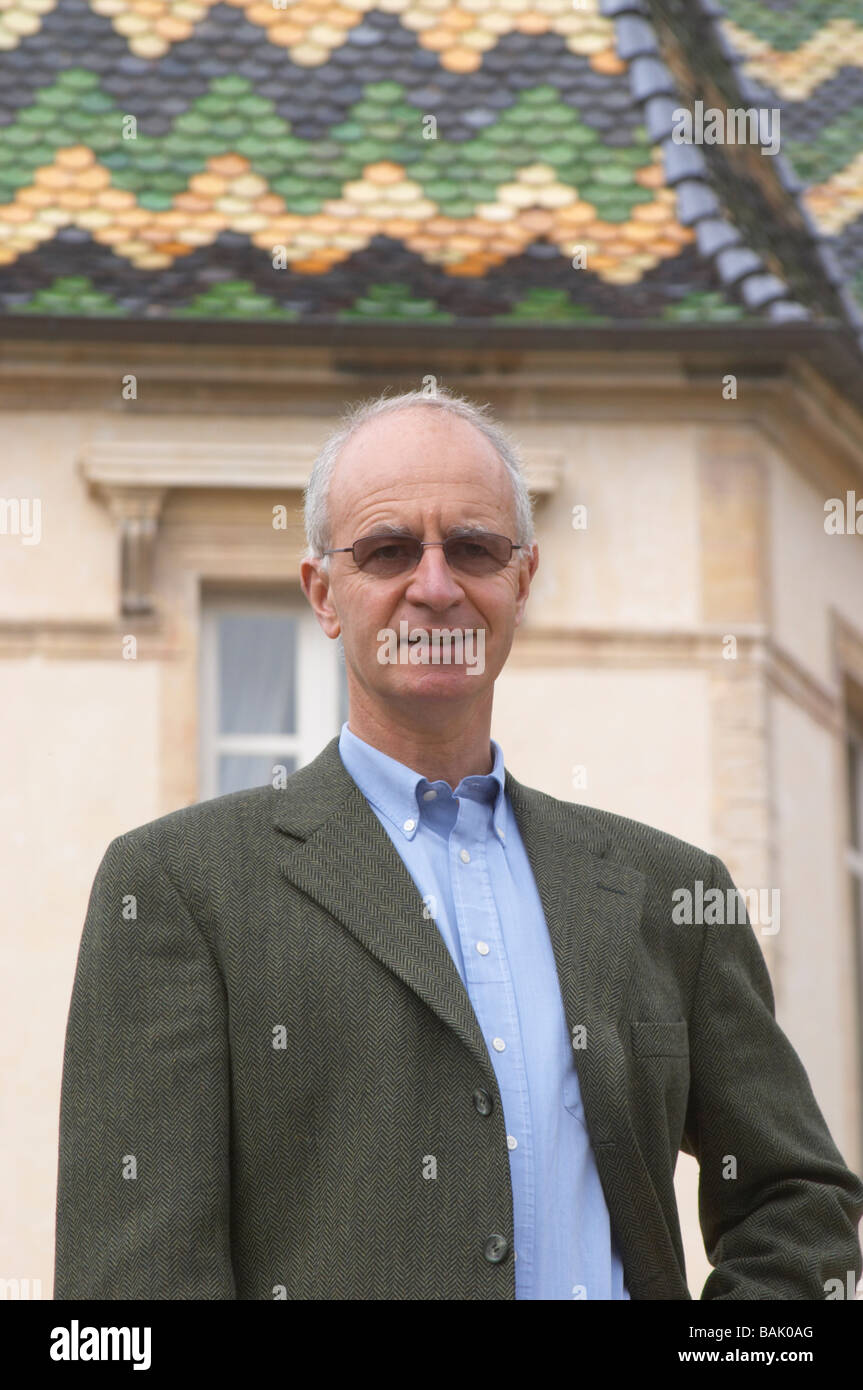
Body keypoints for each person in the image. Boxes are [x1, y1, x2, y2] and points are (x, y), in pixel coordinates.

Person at [54, 387, 863, 1299]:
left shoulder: (667, 890)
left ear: (521, 580)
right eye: (388, 550)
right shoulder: (177, 888)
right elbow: (130, 1295)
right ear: (324, 592)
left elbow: (797, 1198)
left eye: (472, 548)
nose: (434, 586)